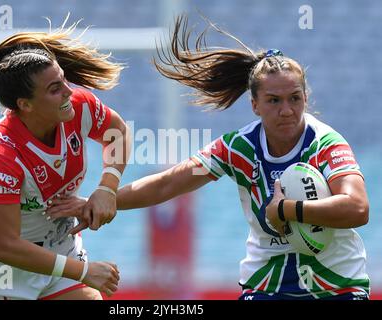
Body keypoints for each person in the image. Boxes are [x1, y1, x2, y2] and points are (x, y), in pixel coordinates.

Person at [45, 15, 370, 300]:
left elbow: (357, 208)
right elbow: (167, 185)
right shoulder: (238, 148)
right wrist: (100, 199)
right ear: (254, 105)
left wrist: (288, 210)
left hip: (337, 284)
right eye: (273, 100)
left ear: (305, 97)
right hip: (266, 286)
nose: (287, 110)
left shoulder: (325, 143)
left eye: (295, 98)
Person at [0, 21, 131, 300]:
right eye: (54, 88)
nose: (68, 92)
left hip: (61, 254)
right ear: (25, 104)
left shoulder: (78, 107)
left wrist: (107, 188)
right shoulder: (0, 156)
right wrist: (83, 272)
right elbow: (5, 245)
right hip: (2, 276)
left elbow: (117, 132)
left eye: (63, 80)